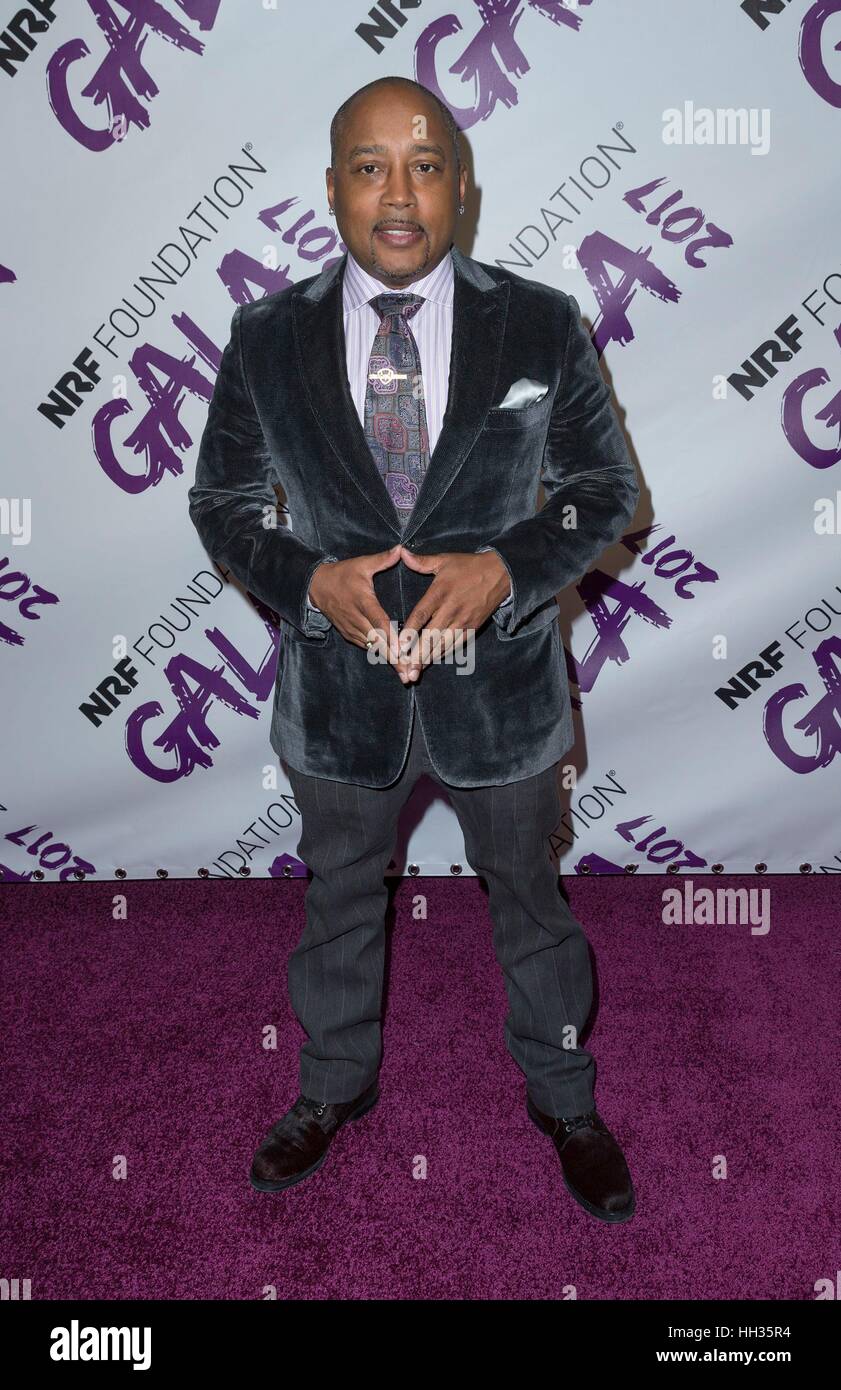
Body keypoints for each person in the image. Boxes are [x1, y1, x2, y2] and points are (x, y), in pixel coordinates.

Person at [188, 75, 640, 1222]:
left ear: (461, 189)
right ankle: (331, 1087)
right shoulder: (265, 334)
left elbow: (607, 493)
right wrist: (307, 583)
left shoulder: (539, 323)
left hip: (504, 697)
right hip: (338, 700)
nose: (399, 194)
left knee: (531, 900)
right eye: (371, 165)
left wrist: (507, 568)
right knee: (339, 898)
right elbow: (224, 504)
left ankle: (566, 1094)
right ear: (333, 185)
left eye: (425, 165)